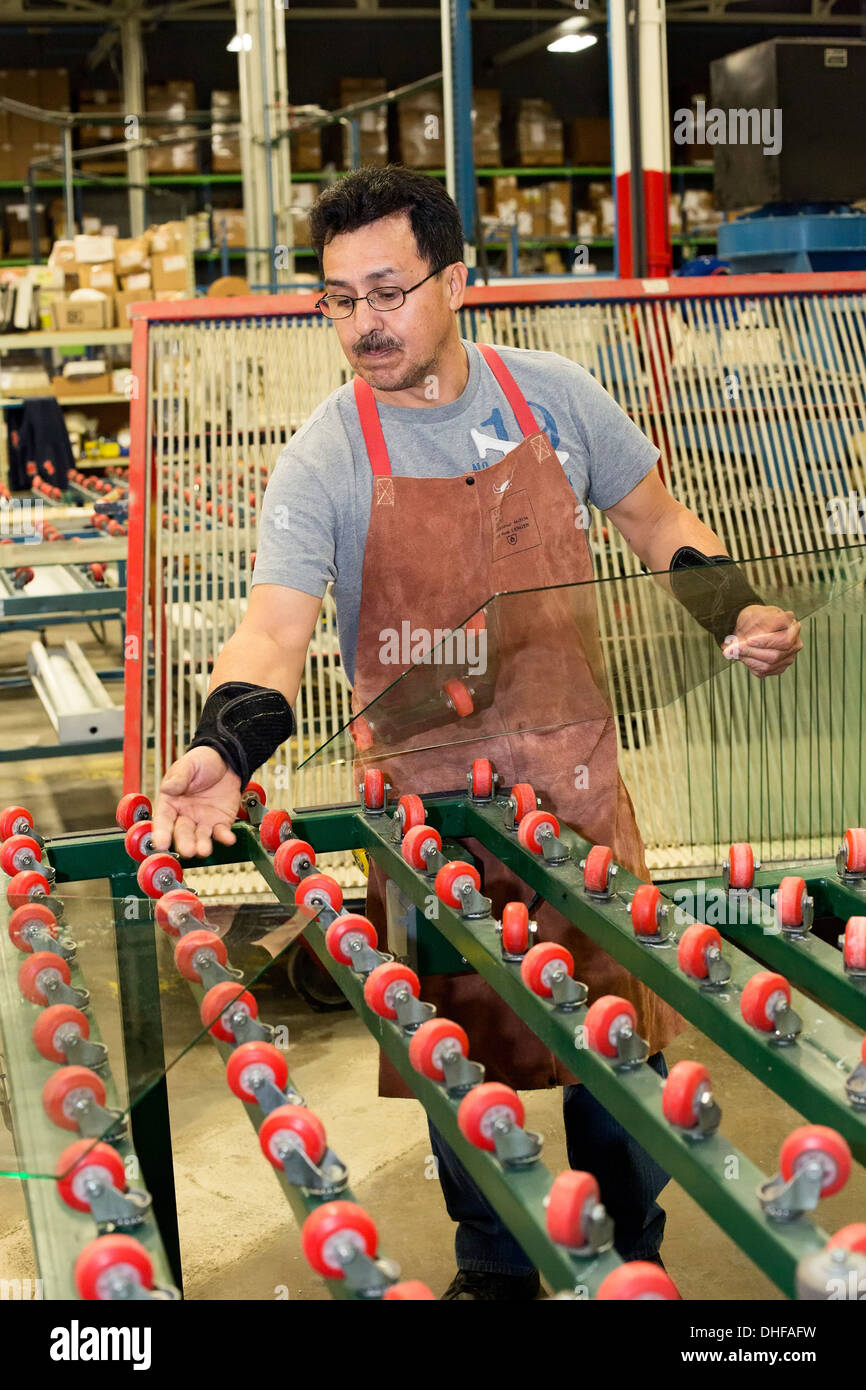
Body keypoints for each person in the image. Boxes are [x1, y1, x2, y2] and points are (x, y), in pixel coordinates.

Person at [151, 166, 802, 1299]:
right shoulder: (324, 454)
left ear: (456, 281)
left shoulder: (550, 397)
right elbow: (271, 629)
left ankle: (624, 1251)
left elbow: (656, 521)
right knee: (449, 1052)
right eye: (339, 299)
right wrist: (227, 739)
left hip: (577, 785)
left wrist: (730, 612)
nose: (364, 323)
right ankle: (495, 1265)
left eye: (389, 292)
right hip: (429, 814)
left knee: (616, 1040)